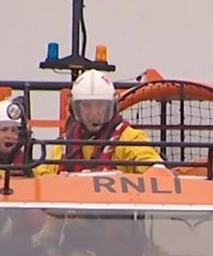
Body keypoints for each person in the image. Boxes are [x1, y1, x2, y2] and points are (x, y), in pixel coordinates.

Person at [36, 69, 165, 176]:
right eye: (86, 106)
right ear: (74, 108)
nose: (93, 113)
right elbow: (41, 175)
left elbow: (155, 169)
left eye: (99, 106)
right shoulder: (64, 144)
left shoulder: (129, 138)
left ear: (112, 106)